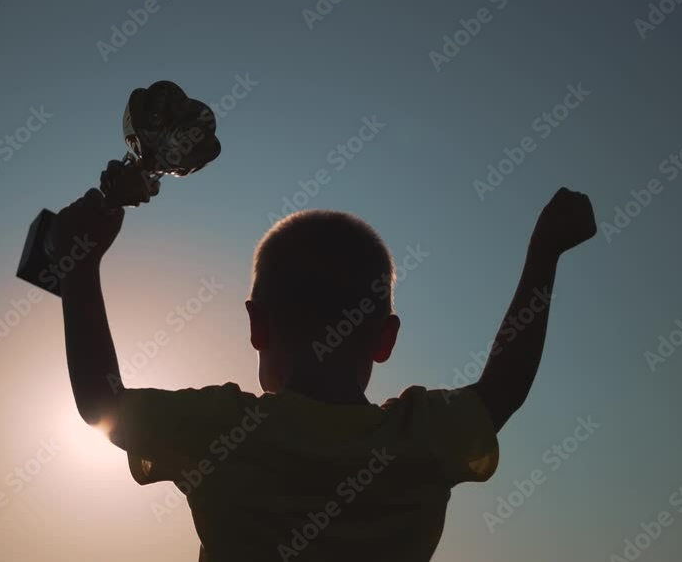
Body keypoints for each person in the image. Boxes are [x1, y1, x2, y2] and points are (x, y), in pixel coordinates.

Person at [55, 186, 597, 561]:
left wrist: (80, 268)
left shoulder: (219, 430)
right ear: (385, 339)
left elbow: (101, 404)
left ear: (257, 327)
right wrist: (544, 254)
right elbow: (503, 387)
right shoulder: (422, 437)